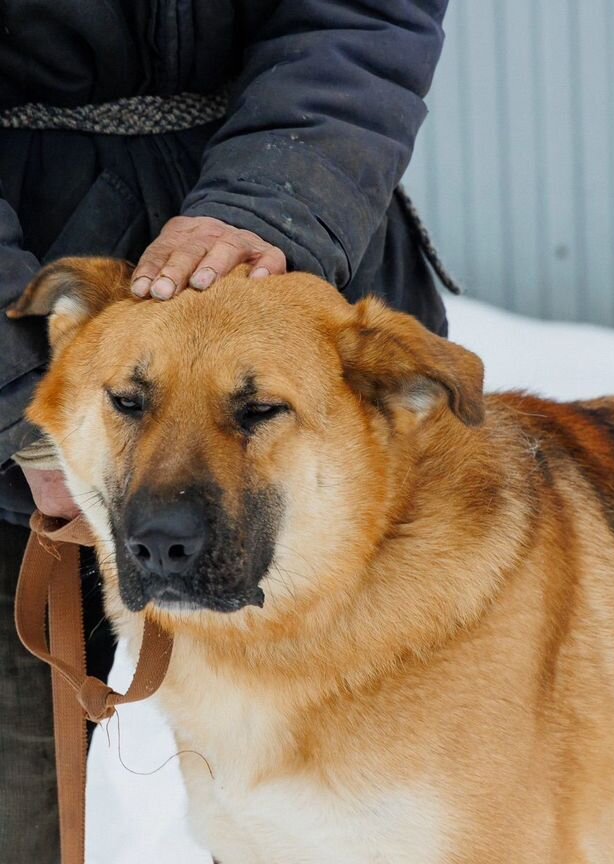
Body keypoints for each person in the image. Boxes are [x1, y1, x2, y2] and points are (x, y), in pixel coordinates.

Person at [0, 1, 450, 858]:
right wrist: (25, 403)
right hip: (31, 298)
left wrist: (273, 213)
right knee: (17, 800)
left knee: (346, 819)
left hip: (309, 279)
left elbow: (362, 17)